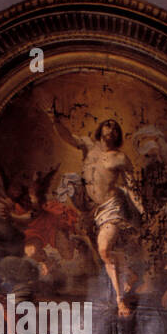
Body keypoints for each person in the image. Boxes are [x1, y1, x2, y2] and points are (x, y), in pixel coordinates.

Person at [50, 111, 143, 316]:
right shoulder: (88, 146)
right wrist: (56, 121)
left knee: (104, 251)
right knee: (104, 253)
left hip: (111, 206)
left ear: (118, 135)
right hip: (90, 207)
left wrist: (142, 210)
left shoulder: (120, 157)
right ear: (101, 129)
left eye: (115, 127)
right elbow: (67, 137)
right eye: (108, 124)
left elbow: (132, 186)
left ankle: (120, 300)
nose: (111, 129)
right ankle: (129, 274)